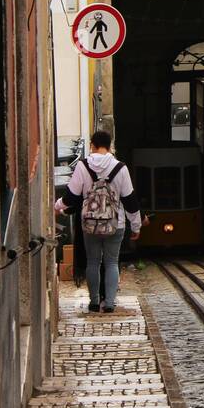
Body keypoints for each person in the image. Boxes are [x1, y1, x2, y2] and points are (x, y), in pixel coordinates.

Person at [55, 131, 145, 313]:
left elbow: (71, 196)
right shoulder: (121, 168)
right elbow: (130, 201)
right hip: (115, 224)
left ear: (92, 145)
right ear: (110, 145)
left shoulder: (83, 166)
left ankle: (94, 302)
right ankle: (110, 303)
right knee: (112, 262)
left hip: (89, 224)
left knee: (93, 262)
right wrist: (136, 225)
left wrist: (57, 206)